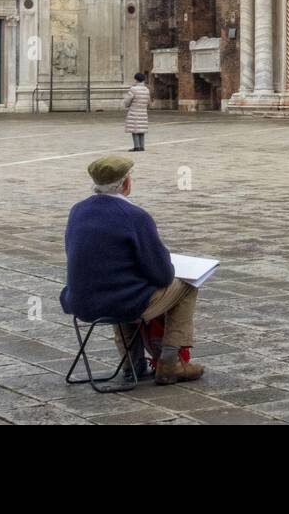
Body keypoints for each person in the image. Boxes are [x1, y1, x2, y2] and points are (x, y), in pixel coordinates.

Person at [60, 156, 204, 386]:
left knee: (121, 284)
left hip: (81, 302)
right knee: (187, 287)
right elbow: (162, 275)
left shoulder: (77, 210)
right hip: (121, 303)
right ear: (126, 183)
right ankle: (169, 362)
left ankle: (131, 364)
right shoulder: (135, 216)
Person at [123, 72, 150, 152]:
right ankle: (142, 146)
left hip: (134, 111)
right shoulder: (146, 90)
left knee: (135, 130)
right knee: (141, 129)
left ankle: (136, 146)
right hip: (143, 111)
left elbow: (127, 101)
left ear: (136, 79)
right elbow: (148, 101)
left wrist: (126, 105)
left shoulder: (133, 89)